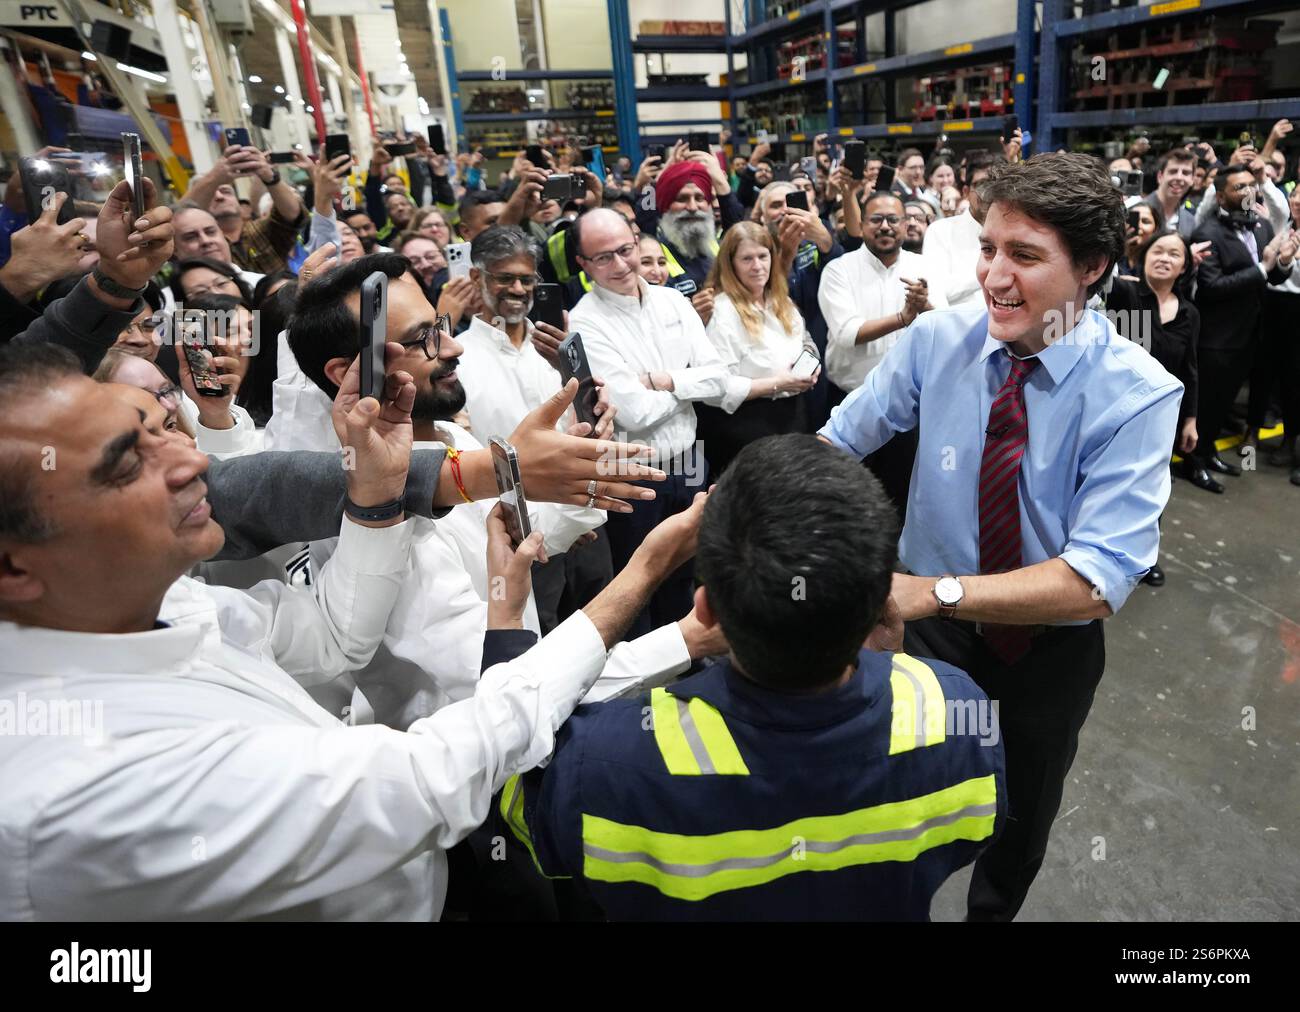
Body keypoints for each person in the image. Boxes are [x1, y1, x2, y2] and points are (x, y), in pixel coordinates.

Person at [0, 340, 692, 921]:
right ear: (13, 566)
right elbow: (433, 778)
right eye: (127, 464)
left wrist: (377, 497)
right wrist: (648, 577)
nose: (194, 462)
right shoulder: (82, 781)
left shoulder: (172, 608)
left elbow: (334, 638)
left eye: (162, 428)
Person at [819, 152, 1185, 921]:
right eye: (988, 248)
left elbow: (1093, 583)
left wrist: (929, 592)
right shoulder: (936, 342)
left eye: (1024, 256)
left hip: (1042, 653)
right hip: (930, 644)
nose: (993, 277)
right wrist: (745, 501)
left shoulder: (1136, 394)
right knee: (900, 800)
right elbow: (837, 442)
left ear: (1091, 267)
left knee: (1019, 815)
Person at [498, 435, 1005, 920]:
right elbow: (972, 835)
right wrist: (890, 665)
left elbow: (514, 784)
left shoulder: (607, 764)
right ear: (883, 599)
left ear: (706, 610)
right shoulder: (957, 714)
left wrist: (643, 570)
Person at [569, 208, 744, 637]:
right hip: (630, 468)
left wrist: (663, 380)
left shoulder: (671, 300)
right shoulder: (584, 321)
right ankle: (644, 681)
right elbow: (633, 412)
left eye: (626, 250)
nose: (621, 265)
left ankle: (686, 664)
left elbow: (719, 377)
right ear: (583, 265)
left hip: (689, 458)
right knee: (637, 583)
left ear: (637, 239)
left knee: (686, 575)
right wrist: (687, 386)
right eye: (603, 258)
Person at [454, 226, 617, 633]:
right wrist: (556, 522)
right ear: (477, 278)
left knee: (604, 633)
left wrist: (597, 405)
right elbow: (471, 457)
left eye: (527, 279)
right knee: (538, 647)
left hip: (590, 519)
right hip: (521, 536)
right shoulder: (458, 359)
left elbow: (588, 428)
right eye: (504, 277)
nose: (518, 288)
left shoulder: (556, 349)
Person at [818, 189, 946, 516]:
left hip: (907, 410)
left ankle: (896, 564)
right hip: (847, 401)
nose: (885, 226)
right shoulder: (839, 269)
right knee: (846, 500)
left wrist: (924, 306)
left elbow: (945, 329)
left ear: (905, 225)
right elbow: (847, 334)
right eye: (876, 219)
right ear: (861, 225)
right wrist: (904, 318)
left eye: (893, 219)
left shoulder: (925, 267)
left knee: (900, 496)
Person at [1105, 230, 1202, 583]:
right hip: (1116, 409)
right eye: (1157, 251)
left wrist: (1190, 419)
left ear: (1184, 266)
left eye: (1174, 254)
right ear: (1143, 257)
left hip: (1161, 417)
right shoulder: (1126, 294)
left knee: (1153, 488)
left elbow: (1190, 367)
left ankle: (1144, 556)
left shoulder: (1189, 312)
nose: (1164, 258)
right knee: (1108, 483)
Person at [1189, 165, 1295, 479]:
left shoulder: (1260, 226)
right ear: (1221, 195)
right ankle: (1194, 463)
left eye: (1251, 185)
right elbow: (1212, 287)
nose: (1248, 192)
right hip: (1217, 339)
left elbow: (1271, 277)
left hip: (1249, 335)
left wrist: (1284, 262)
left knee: (1224, 404)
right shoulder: (1206, 233)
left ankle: (1209, 455)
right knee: (1206, 406)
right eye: (1239, 187)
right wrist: (1263, 268)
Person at [694, 221, 819, 474]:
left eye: (763, 256)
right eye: (747, 259)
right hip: (746, 424)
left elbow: (804, 340)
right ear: (731, 264)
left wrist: (811, 363)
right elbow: (718, 388)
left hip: (792, 414)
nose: (757, 266)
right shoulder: (722, 311)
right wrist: (778, 383)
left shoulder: (781, 301)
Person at [181, 141, 307, 276]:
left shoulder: (263, 230)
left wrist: (268, 175)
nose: (219, 196)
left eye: (225, 191)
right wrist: (214, 178)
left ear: (238, 199)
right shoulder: (198, 244)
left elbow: (293, 214)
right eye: (211, 194)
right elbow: (176, 222)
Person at [921, 152, 998, 309]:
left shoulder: (1015, 234)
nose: (989, 192)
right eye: (982, 184)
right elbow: (937, 291)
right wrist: (993, 272)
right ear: (966, 192)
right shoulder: (940, 231)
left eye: (996, 185)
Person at [1143, 148, 1198, 237]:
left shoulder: (1189, 220)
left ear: (1192, 179)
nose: (1179, 177)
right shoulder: (1138, 211)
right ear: (1160, 177)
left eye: (1185, 173)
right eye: (1173, 171)